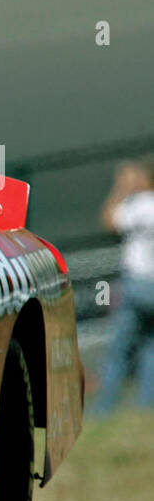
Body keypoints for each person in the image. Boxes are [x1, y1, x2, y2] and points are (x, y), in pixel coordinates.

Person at [93, 157, 154, 414]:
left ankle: (104, 408)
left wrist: (122, 188)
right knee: (151, 347)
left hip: (138, 283)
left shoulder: (141, 205)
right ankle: (146, 405)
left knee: (118, 349)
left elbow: (108, 220)